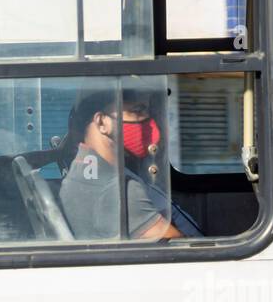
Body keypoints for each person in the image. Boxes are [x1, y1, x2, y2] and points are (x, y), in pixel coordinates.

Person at [57, 88, 200, 241]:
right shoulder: (120, 191)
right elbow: (180, 250)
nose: (149, 122)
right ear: (101, 122)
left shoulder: (82, 175)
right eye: (137, 111)